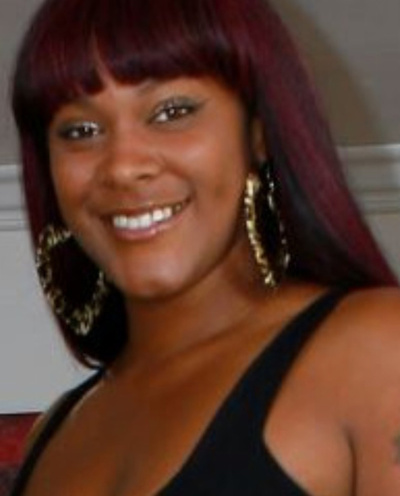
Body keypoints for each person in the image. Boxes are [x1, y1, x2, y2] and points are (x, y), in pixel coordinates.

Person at [10, 0, 400, 494]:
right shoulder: (55, 431)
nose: (123, 166)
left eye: (172, 112)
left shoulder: (376, 349)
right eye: (80, 131)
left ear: (257, 133)